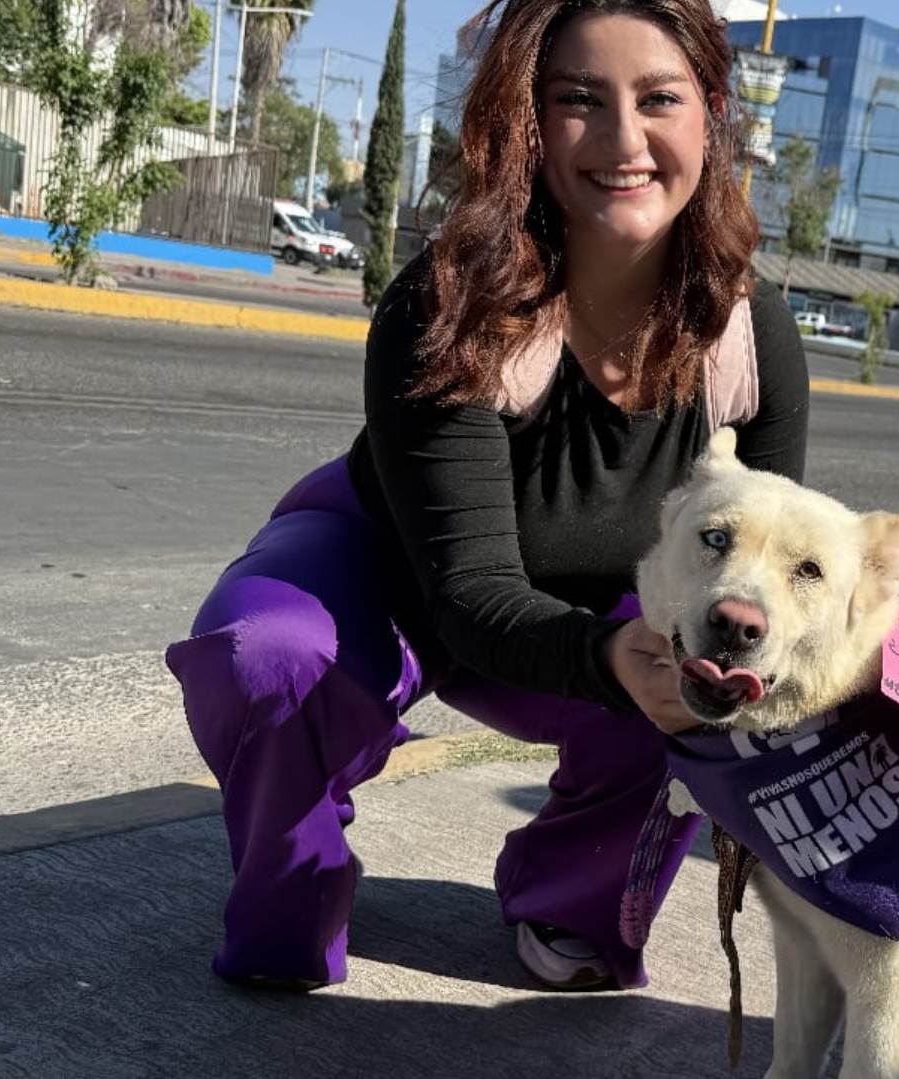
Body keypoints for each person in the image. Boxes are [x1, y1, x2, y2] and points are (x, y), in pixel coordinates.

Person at [163, 0, 807, 994]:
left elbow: (773, 577)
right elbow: (469, 592)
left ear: (712, 113)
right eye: (579, 101)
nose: (624, 139)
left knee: (699, 670)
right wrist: (607, 657)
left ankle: (572, 902)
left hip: (587, 617)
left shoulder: (748, 329)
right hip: (389, 577)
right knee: (269, 658)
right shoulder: (446, 303)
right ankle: (297, 878)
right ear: (526, 121)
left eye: (659, 99)